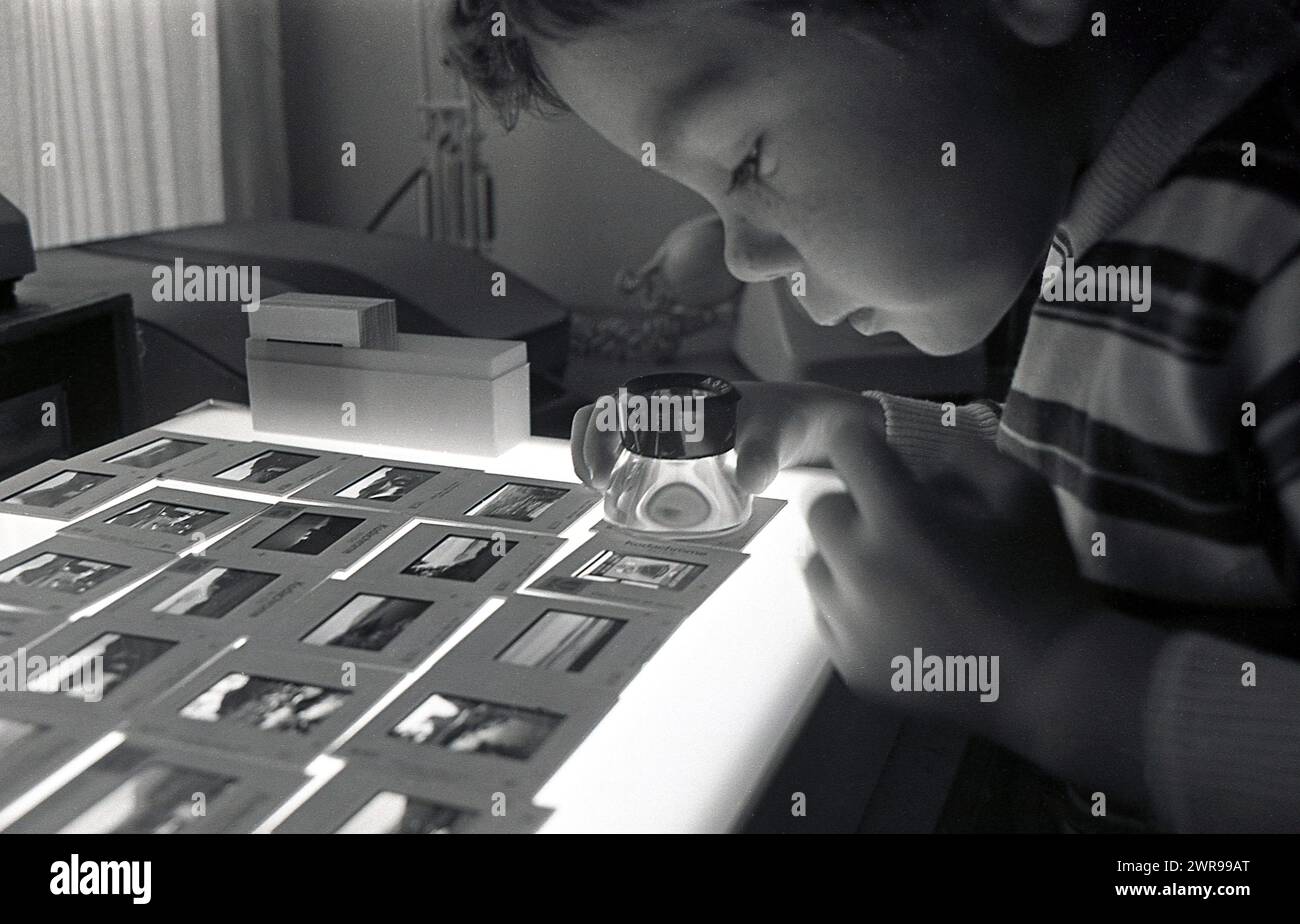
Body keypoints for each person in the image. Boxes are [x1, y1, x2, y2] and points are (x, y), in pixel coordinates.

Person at [445, 0, 1300, 831]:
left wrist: (1050, 677)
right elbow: (1098, 480)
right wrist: (839, 428)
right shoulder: (1127, 228)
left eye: (745, 163)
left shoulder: (1271, 254)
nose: (742, 258)